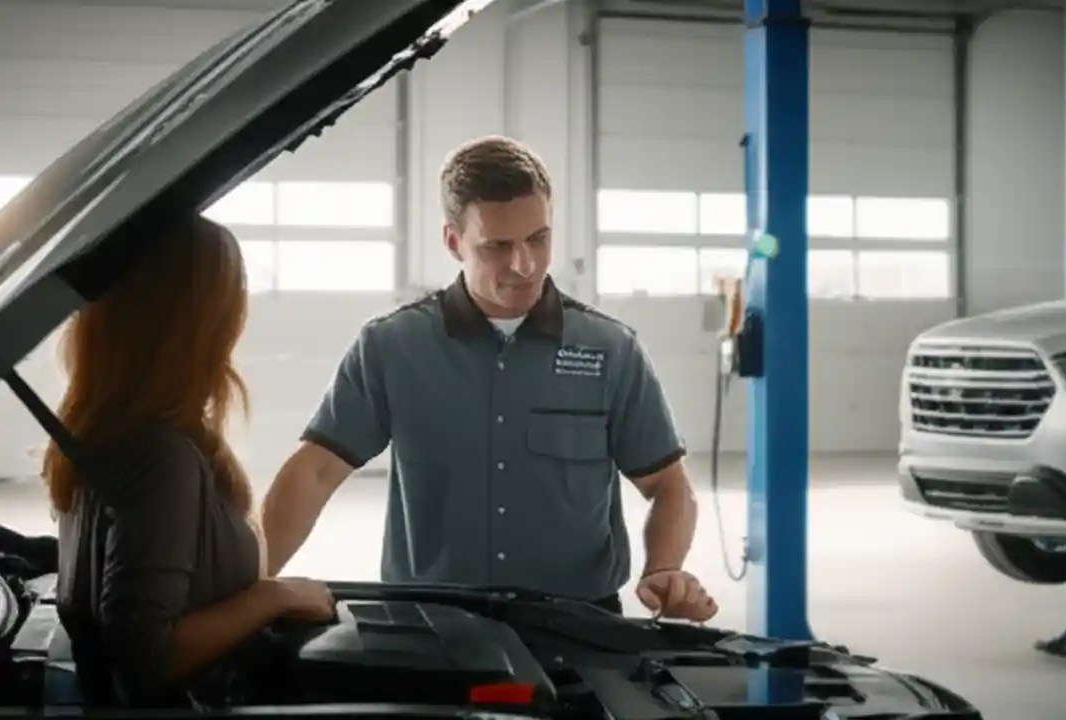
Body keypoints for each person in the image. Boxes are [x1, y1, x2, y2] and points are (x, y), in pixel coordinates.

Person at [261, 135, 718, 621]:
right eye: (497, 246)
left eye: (538, 239)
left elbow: (669, 485)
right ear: (454, 242)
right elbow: (315, 472)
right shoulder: (392, 347)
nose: (524, 265)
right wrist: (251, 586)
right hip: (431, 625)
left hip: (579, 628)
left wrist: (663, 568)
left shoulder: (611, 350)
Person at [44, 216, 336, 707]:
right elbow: (147, 659)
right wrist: (275, 596)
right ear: (197, 324)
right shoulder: (161, 459)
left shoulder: (104, 436)